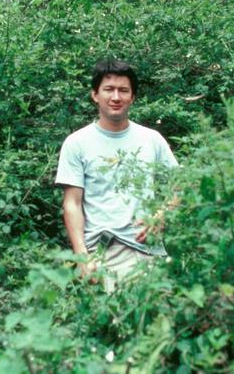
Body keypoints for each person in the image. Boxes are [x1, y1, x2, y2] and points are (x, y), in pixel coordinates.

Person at [55, 59, 178, 292]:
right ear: (95, 95)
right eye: (109, 89)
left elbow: (181, 184)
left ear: (132, 97)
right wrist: (82, 256)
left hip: (148, 250)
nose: (116, 97)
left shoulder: (151, 139)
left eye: (123, 90)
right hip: (101, 251)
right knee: (112, 326)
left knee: (155, 326)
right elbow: (72, 203)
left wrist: (163, 214)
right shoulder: (77, 143)